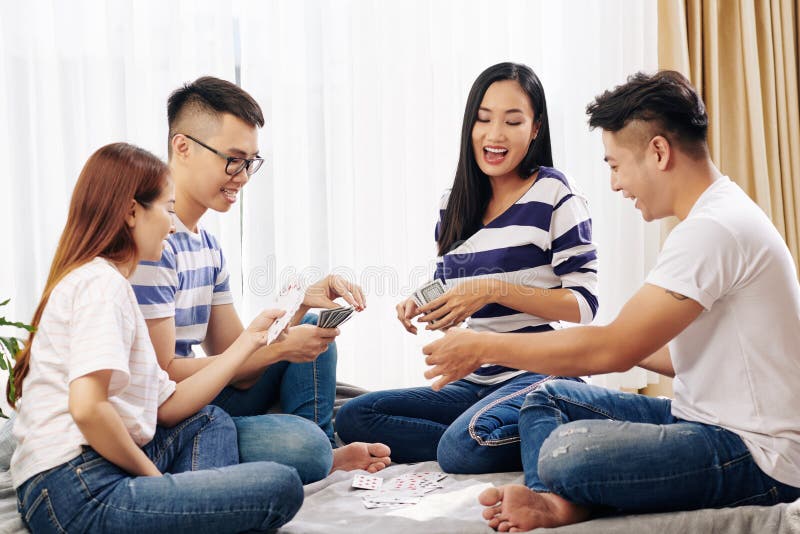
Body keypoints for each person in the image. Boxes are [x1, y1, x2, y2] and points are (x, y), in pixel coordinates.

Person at [422, 70, 800, 531]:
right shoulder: (715, 216)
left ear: (658, 152)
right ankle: (556, 501)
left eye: (616, 165)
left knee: (566, 454)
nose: (616, 184)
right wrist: (602, 345)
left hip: (757, 454)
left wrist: (484, 346)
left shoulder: (713, 229)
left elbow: (613, 350)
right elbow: (664, 354)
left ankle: (556, 498)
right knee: (544, 397)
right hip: (701, 417)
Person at [10, 143, 303, 533]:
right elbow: (88, 408)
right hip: (76, 486)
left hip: (74, 479)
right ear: (132, 212)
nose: (172, 226)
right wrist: (155, 480)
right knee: (281, 485)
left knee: (208, 419)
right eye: (167, 209)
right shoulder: (101, 285)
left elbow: (167, 407)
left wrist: (252, 340)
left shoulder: (106, 284)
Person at [335, 62, 598, 474]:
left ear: (535, 129)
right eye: (484, 119)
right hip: (475, 381)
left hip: (538, 374)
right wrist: (422, 301)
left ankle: (506, 429)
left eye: (513, 121)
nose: (495, 135)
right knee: (355, 416)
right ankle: (493, 433)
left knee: (461, 448)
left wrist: (493, 289)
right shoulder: (454, 202)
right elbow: (448, 282)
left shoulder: (555, 194)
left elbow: (584, 304)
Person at [129, 76, 389, 483]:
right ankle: (317, 451)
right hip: (170, 414)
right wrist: (276, 349)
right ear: (183, 147)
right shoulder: (152, 244)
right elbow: (162, 379)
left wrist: (299, 306)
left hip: (204, 395)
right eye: (233, 159)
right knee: (302, 446)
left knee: (311, 328)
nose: (243, 176)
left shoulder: (207, 246)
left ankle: (322, 447)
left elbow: (239, 365)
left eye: (250, 162)